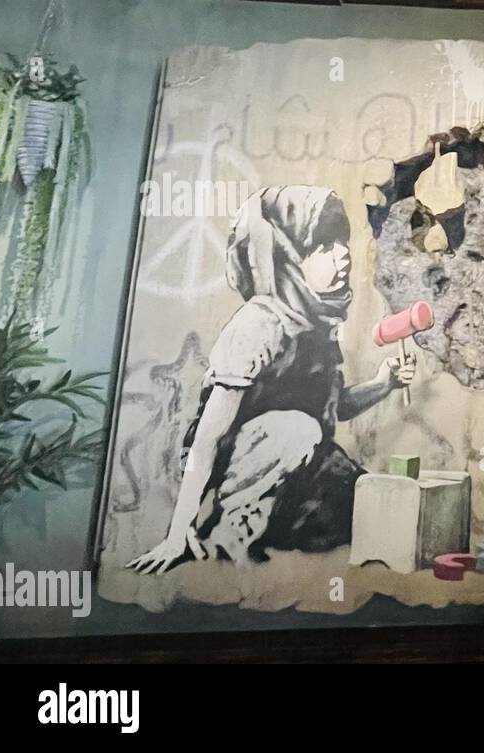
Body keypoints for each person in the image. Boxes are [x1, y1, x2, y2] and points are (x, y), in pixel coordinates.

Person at [127, 186, 415, 574]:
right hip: (236, 461)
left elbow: (330, 408)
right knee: (296, 430)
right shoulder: (260, 325)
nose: (343, 254)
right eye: (323, 247)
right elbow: (208, 437)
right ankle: (229, 530)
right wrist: (179, 530)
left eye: (342, 242)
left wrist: (385, 383)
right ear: (287, 256)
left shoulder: (317, 325)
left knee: (365, 501)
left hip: (295, 455)